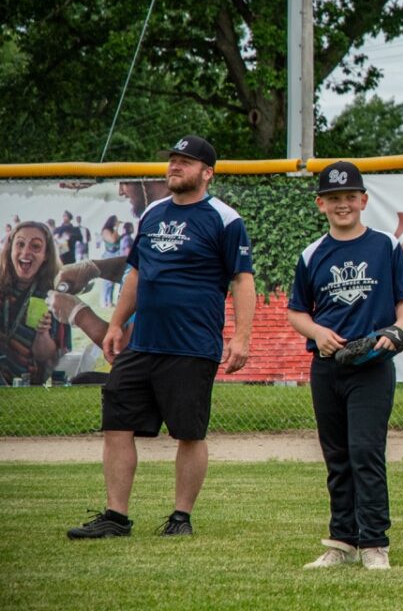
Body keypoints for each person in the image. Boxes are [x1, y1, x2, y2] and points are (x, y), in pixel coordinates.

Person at [67, 135, 255, 540]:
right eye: (172, 160)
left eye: (185, 162)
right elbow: (136, 273)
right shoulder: (153, 212)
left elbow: (242, 280)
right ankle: (116, 517)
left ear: (207, 173)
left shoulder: (224, 219)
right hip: (143, 342)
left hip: (191, 345)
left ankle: (180, 518)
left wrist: (241, 337)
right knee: (117, 423)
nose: (174, 166)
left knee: (188, 432)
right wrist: (116, 324)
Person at [286, 161, 403, 571]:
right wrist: (318, 332)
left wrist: (396, 330)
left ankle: (374, 542)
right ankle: (342, 542)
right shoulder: (313, 253)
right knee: (337, 455)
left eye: (350, 197)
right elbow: (296, 312)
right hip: (327, 365)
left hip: (372, 364)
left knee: (365, 451)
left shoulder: (385, 246)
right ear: (320, 204)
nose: (342, 204)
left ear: (363, 200)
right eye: (333, 198)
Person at [0, 221, 70, 385]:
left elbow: (46, 357)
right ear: (10, 250)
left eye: (35, 246)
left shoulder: (54, 296)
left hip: (28, 386)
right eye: (20, 244)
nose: (26, 252)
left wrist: (42, 333)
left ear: (46, 255)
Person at [98, 216, 121, 307]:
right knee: (107, 280)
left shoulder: (113, 231)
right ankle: (104, 301)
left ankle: (110, 301)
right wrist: (117, 228)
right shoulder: (106, 231)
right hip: (109, 256)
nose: (116, 223)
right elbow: (113, 240)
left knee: (113, 280)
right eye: (115, 222)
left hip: (115, 255)